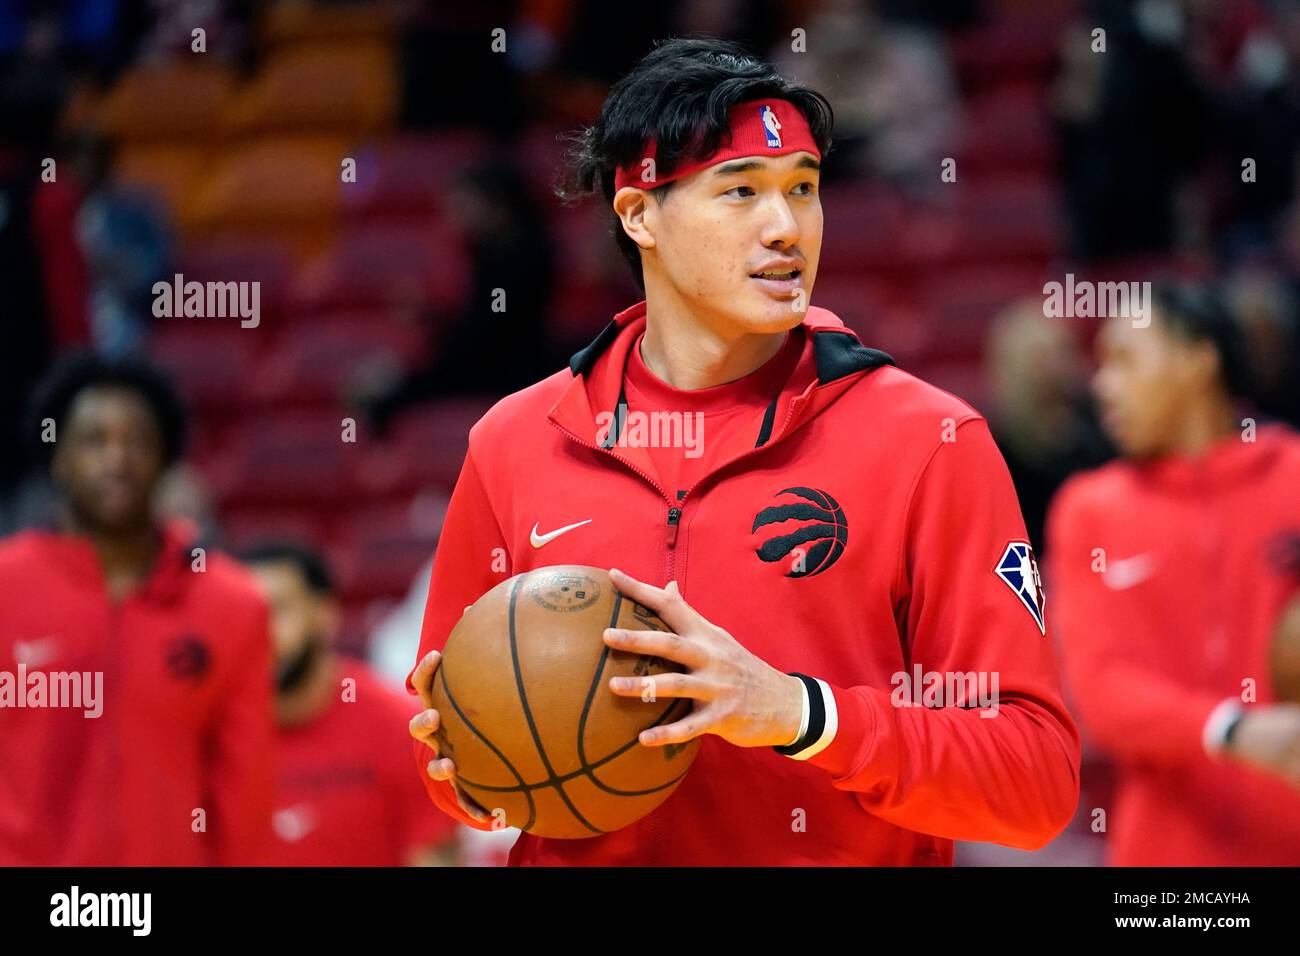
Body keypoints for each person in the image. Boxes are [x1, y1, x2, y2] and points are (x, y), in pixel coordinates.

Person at [406, 37, 1080, 866]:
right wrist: (479, 766)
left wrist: (801, 715)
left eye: (803, 187)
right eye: (741, 191)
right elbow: (450, 764)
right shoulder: (514, 441)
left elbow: (1034, 783)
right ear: (639, 214)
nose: (786, 226)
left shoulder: (929, 441)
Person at [1047, 283, 1300, 865]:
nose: (1102, 385)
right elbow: (1101, 691)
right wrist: (1233, 729)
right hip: (1165, 861)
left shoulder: (1292, 476)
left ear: (1197, 359)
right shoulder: (1089, 509)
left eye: (1125, 359)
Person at [0, 352, 273, 865]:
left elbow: (245, 792)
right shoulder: (6, 588)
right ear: (56, 456)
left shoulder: (232, 604)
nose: (117, 459)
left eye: (137, 440)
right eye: (94, 440)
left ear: (167, 460)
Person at [242, 542, 460, 866]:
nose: (261, 631)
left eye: (278, 609)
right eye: (247, 612)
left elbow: (435, 858)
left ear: (324, 614)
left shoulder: (401, 727)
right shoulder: (210, 734)